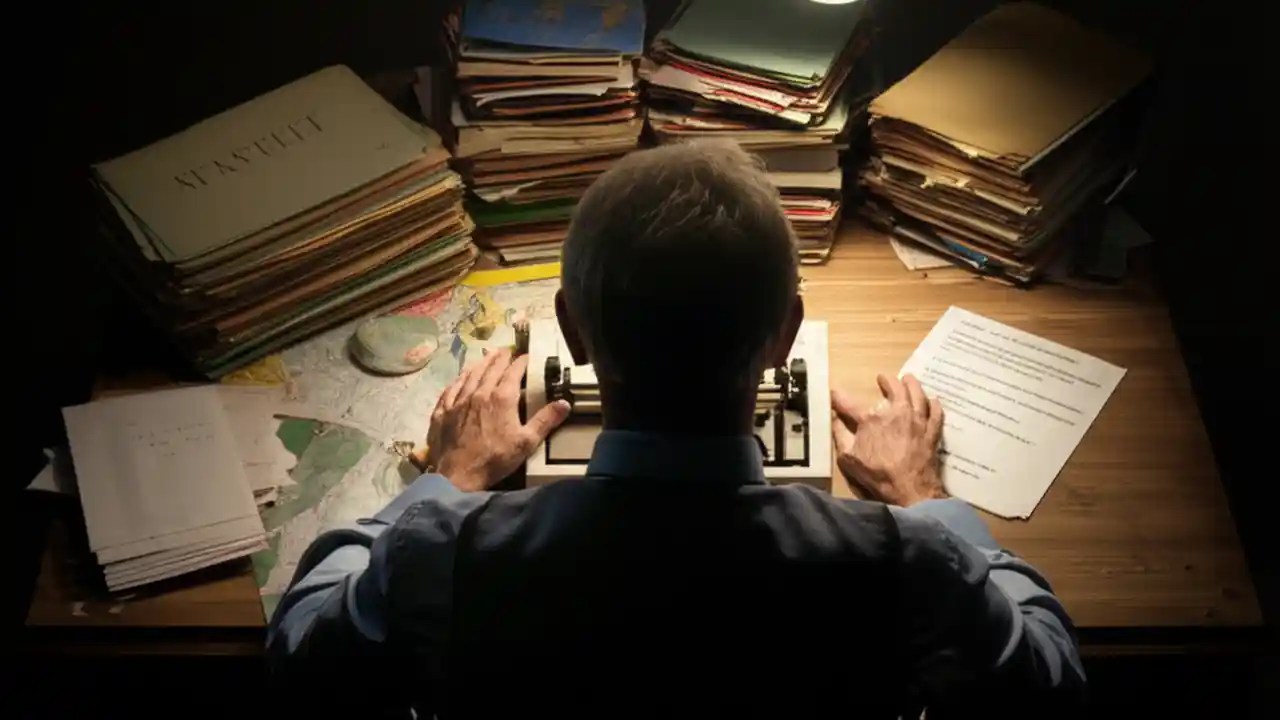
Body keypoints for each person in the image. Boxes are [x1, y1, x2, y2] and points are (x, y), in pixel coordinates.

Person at [267, 141, 1085, 718]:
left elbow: (299, 655)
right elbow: (1054, 682)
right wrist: (926, 498)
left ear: (571, 331)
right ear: (785, 335)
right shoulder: (914, 562)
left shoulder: (439, 554)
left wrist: (445, 484)